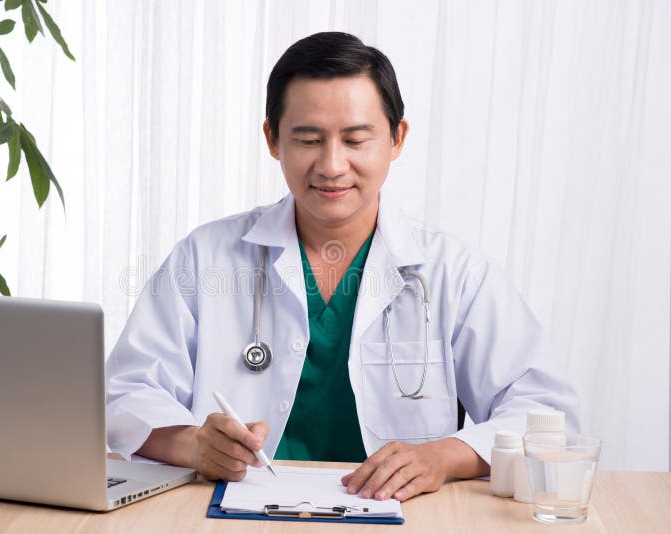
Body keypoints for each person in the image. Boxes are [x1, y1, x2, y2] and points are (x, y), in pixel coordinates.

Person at [106, 32, 578, 502]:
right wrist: (195, 445)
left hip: (402, 518)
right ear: (272, 139)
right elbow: (123, 393)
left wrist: (442, 456)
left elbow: (546, 412)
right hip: (234, 514)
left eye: (355, 139)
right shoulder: (204, 257)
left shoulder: (456, 273)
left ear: (397, 138)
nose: (332, 165)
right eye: (309, 139)